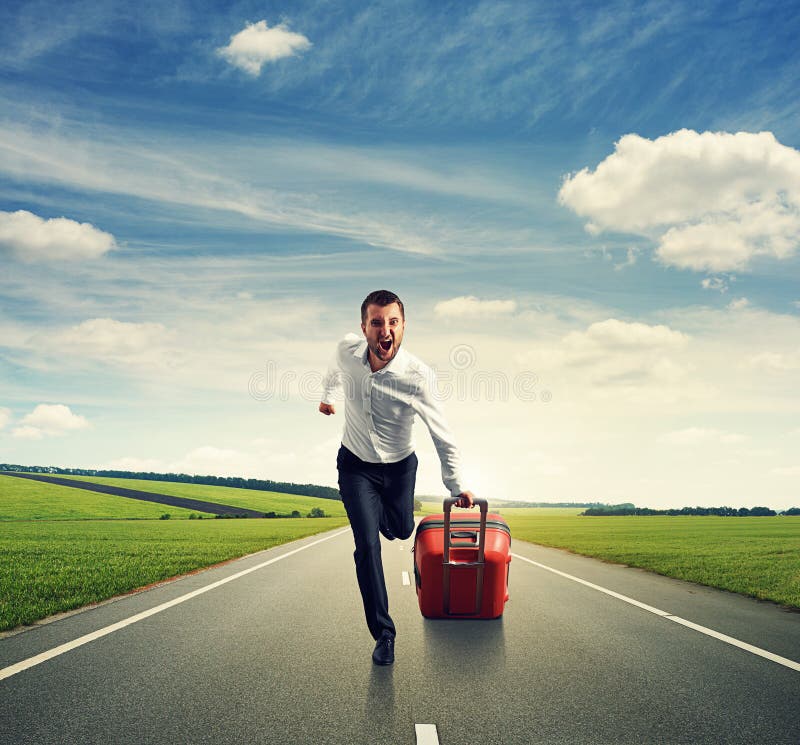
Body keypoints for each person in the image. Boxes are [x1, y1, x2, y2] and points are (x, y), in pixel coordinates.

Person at [319, 289, 475, 666]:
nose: (384, 330)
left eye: (392, 322)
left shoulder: (417, 377)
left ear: (403, 327)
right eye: (376, 323)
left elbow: (442, 433)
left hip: (400, 467)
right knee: (367, 547)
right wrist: (328, 396)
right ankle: (384, 634)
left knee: (403, 529)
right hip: (356, 466)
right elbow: (333, 369)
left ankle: (394, 523)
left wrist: (456, 485)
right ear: (364, 328)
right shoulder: (346, 350)